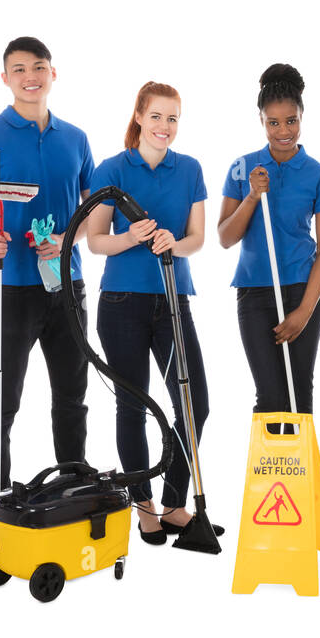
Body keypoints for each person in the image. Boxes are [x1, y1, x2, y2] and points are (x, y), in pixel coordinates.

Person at [0, 37, 94, 540]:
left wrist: (65, 239)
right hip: (14, 286)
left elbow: (91, 209)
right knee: (2, 401)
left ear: (52, 74)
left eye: (38, 67)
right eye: (19, 69)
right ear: (6, 78)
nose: (29, 76)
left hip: (68, 286)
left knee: (71, 398)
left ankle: (76, 495)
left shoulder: (76, 138)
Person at [89, 81, 221, 544]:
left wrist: (174, 243)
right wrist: (131, 237)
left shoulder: (190, 169)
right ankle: (142, 505)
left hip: (173, 300)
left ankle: (174, 503)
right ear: (140, 116)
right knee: (134, 404)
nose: (165, 127)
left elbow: (197, 238)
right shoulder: (112, 170)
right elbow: (93, 240)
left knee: (194, 403)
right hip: (121, 302)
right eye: (158, 116)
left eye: (173, 118)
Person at [218, 64, 320, 422]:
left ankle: (300, 480)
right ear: (261, 120)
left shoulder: (318, 175)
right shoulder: (243, 169)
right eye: (274, 123)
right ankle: (270, 481)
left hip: (303, 291)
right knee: (270, 398)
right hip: (255, 295)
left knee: (300, 396)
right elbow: (225, 237)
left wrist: (304, 312)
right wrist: (252, 196)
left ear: (302, 117)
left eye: (291, 121)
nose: (283, 131)